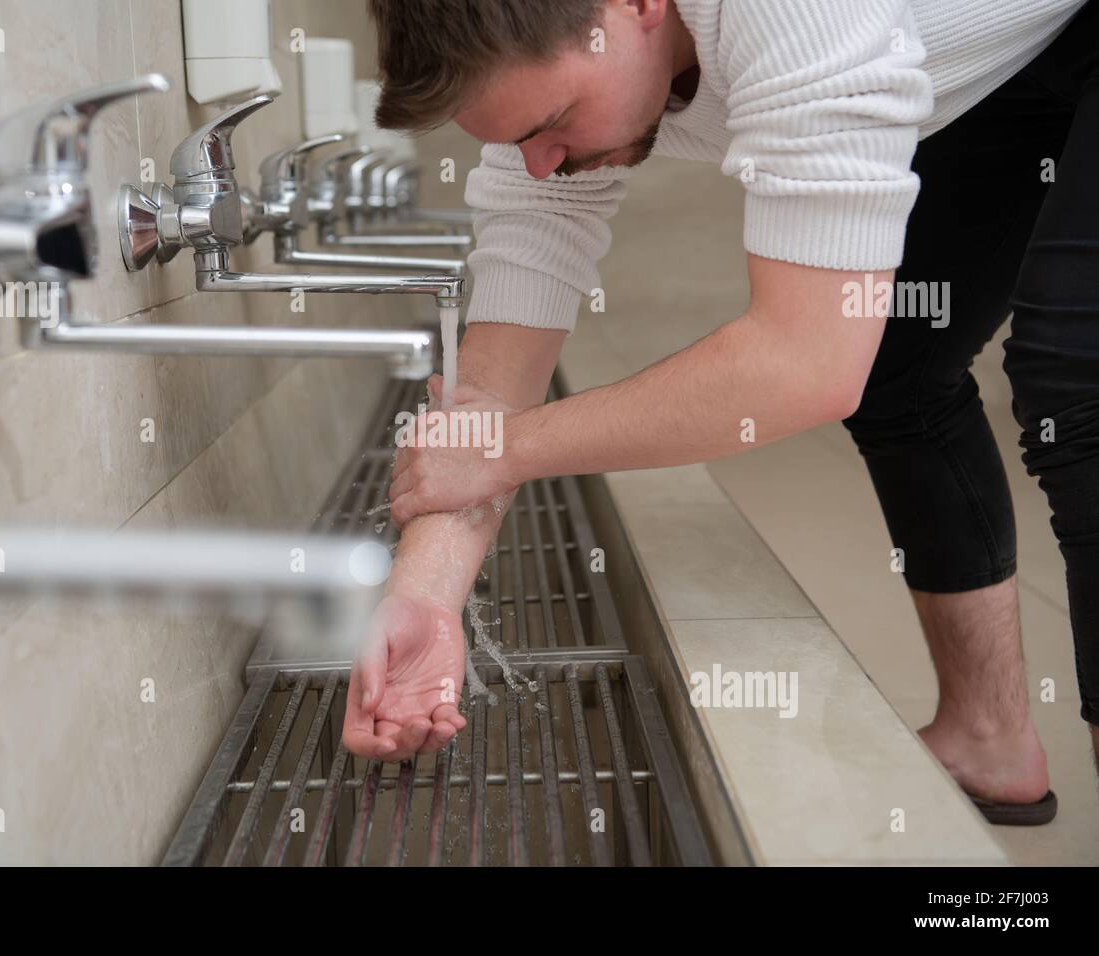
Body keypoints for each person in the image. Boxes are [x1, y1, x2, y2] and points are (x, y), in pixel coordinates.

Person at [342, 0, 1098, 827]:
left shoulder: (795, 15)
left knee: (1076, 378)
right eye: (517, 139)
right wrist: (424, 594)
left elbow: (807, 361)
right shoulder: (544, 79)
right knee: (903, 369)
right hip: (1002, 54)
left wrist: (512, 447)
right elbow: (521, 283)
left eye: (553, 123)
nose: (538, 163)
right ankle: (988, 737)